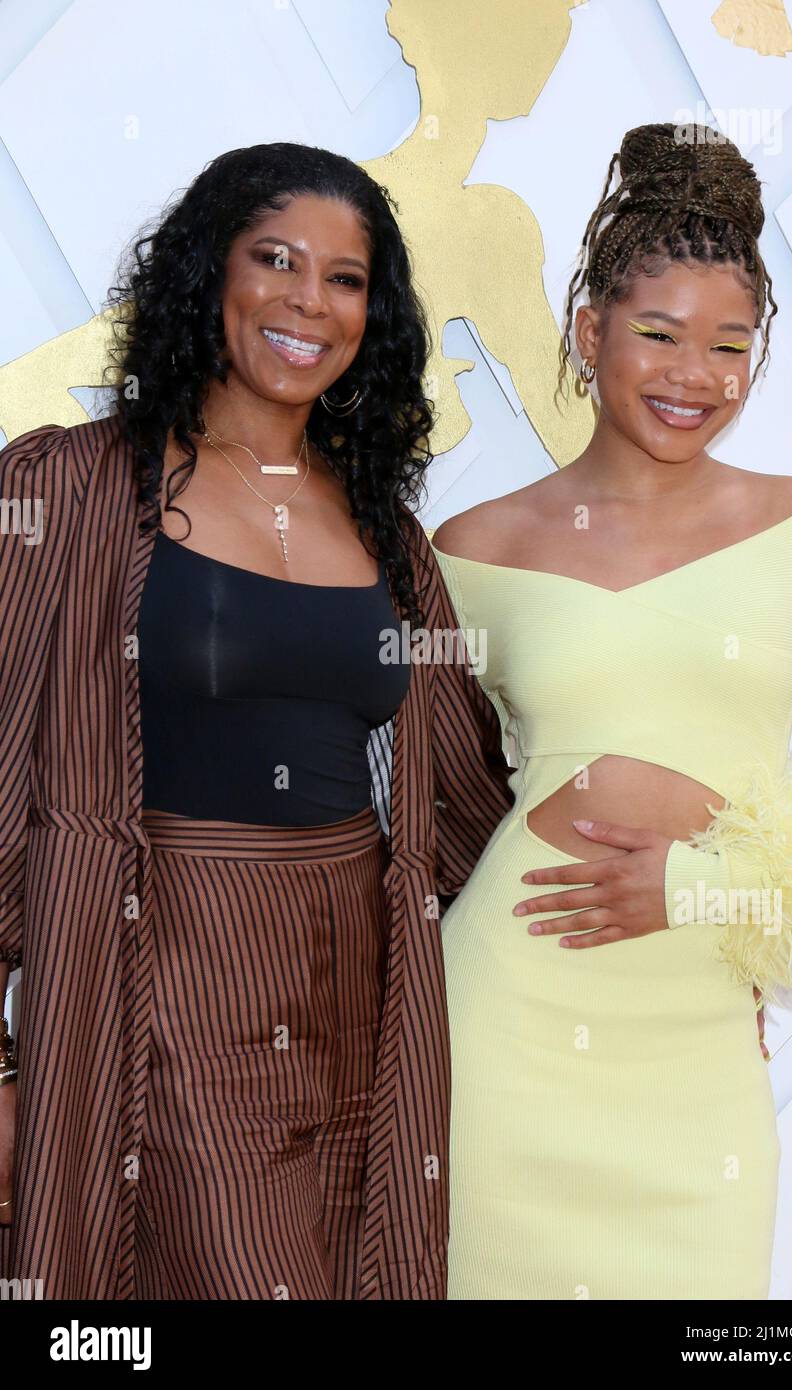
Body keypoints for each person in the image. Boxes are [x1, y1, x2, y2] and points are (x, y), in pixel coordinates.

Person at [0, 142, 514, 1299]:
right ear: (207, 274)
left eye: (345, 278)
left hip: (355, 1009)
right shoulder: (67, 491)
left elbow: (469, 802)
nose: (306, 301)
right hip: (150, 980)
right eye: (274, 258)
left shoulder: (390, 540)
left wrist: (669, 908)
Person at [431, 122, 792, 1299]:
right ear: (587, 332)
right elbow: (426, 819)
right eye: (658, 334)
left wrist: (697, 887)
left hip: (694, 1057)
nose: (693, 376)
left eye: (728, 345)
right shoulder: (468, 551)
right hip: (503, 1039)